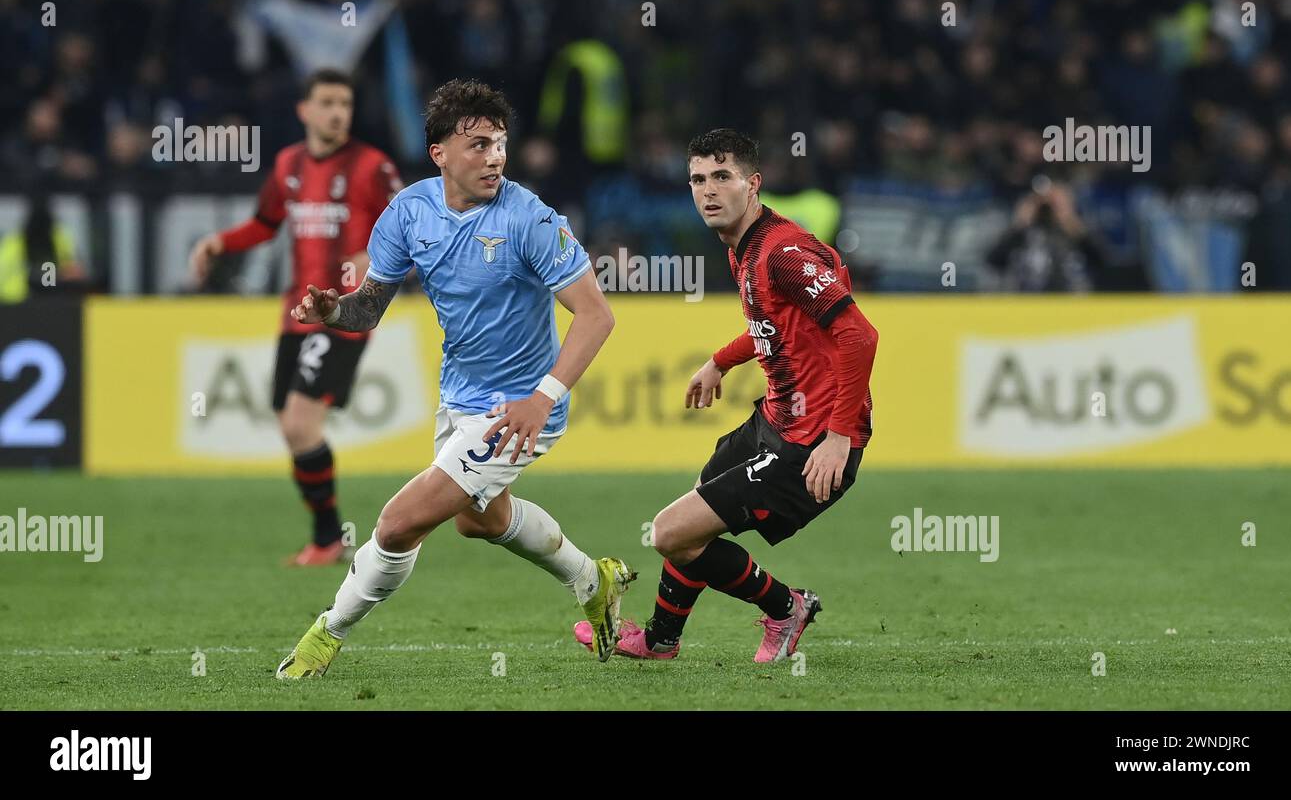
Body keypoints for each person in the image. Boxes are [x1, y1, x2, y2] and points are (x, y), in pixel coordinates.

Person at [276, 79, 632, 677]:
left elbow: (597, 315)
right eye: (478, 145)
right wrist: (334, 310)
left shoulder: (530, 219)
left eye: (500, 143)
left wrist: (542, 399)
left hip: (519, 410)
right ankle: (591, 580)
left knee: (398, 523)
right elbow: (370, 307)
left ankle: (325, 632)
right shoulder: (409, 213)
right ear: (439, 152)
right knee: (480, 521)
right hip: (461, 397)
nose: (495, 156)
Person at [576, 128, 878, 662]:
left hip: (813, 439)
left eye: (722, 177)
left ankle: (788, 608)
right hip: (776, 420)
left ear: (753, 184)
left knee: (671, 533)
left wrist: (839, 436)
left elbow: (858, 334)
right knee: (694, 513)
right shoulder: (745, 247)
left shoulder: (782, 251)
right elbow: (776, 324)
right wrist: (722, 360)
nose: (708, 191)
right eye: (697, 179)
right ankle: (661, 640)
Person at [189, 68, 402, 564]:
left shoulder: (373, 166)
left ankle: (329, 538)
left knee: (301, 424)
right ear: (304, 110)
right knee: (290, 426)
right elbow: (266, 225)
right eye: (327, 102)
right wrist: (219, 242)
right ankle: (328, 537)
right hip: (294, 315)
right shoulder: (288, 164)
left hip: (343, 313)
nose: (337, 112)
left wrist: (378, 257)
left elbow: (411, 223)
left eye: (345, 104)